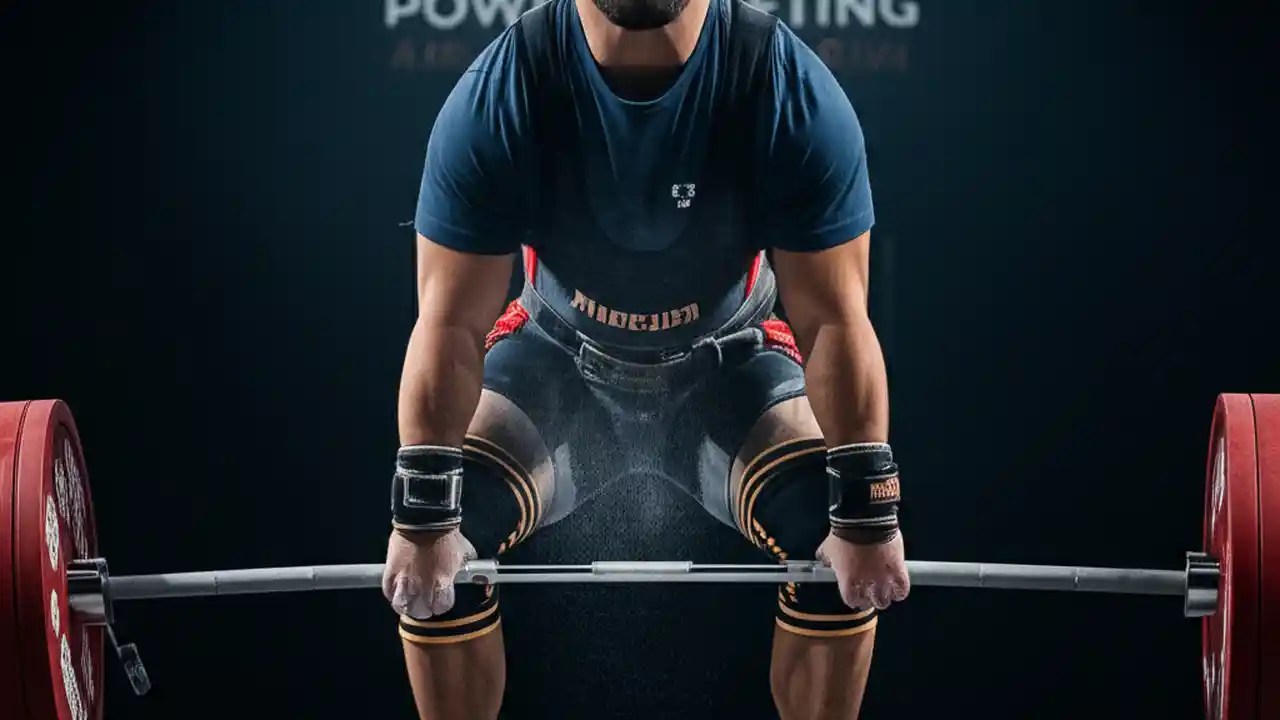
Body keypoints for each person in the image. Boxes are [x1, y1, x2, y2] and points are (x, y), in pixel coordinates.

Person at [381, 0, 910, 715]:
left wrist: (866, 520)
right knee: (444, 532)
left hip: (727, 370)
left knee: (831, 535)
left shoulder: (782, 85)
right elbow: (447, 329)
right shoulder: (506, 92)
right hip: (559, 368)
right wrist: (422, 527)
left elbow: (835, 326)